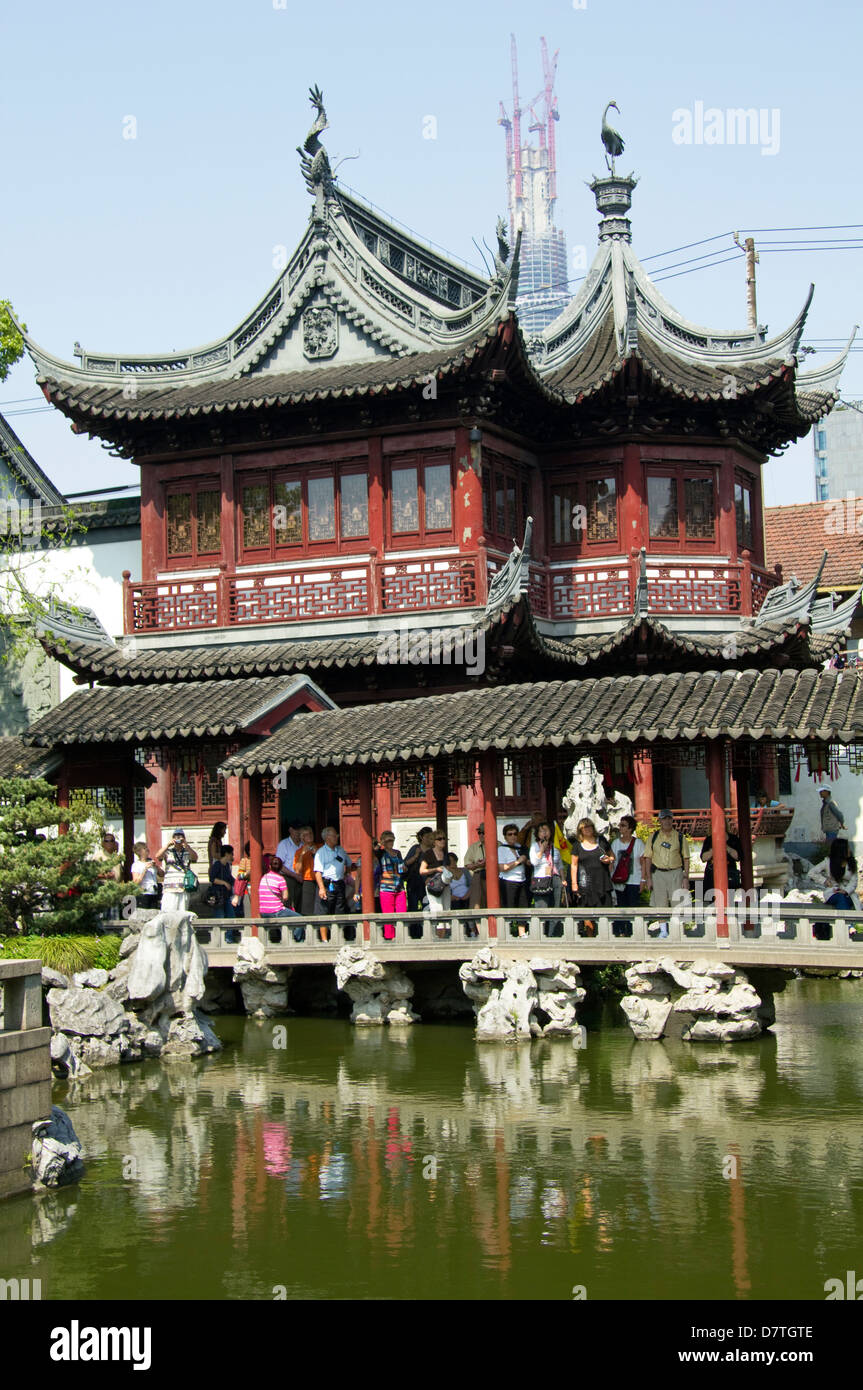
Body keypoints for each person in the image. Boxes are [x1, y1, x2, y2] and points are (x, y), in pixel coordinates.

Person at [643, 811, 690, 922]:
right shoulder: (653, 837)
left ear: (672, 820)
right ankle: (663, 930)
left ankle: (677, 929)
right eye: (664, 819)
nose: (667, 821)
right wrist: (648, 878)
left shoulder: (680, 837)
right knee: (660, 903)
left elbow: (686, 858)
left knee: (677, 902)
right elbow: (647, 858)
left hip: (675, 872)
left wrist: (686, 877)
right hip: (658, 874)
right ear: (659, 821)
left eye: (669, 819)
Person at [570, 818, 614, 934]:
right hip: (585, 883)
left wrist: (609, 860)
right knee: (586, 914)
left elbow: (612, 855)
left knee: (605, 913)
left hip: (602, 882)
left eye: (589, 826)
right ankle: (590, 937)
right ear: (580, 830)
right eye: (584, 827)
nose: (587, 829)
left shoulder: (602, 841)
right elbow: (574, 865)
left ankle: (605, 937)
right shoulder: (577, 845)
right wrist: (574, 884)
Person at [314, 827, 356, 943]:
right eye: (334, 835)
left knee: (340, 909)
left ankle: (338, 937)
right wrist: (321, 888)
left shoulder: (340, 850)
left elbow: (348, 863)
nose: (337, 837)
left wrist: (346, 872)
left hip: (339, 883)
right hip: (327, 883)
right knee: (324, 910)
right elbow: (317, 871)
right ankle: (324, 939)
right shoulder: (321, 852)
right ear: (327, 837)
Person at [610, 814, 645, 937]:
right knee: (620, 907)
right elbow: (612, 862)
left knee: (633, 907)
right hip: (618, 881)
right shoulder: (615, 843)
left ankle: (633, 932)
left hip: (634, 880)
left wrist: (643, 880)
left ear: (630, 828)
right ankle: (620, 932)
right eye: (620, 825)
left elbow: (643, 862)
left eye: (623, 825)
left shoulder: (638, 843)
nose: (620, 827)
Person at [529, 821, 563, 937]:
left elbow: (560, 865)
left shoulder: (555, 848)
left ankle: (553, 934)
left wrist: (563, 879)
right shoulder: (534, 846)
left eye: (546, 830)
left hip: (554, 878)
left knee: (555, 908)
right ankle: (541, 935)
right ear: (538, 834)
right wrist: (542, 850)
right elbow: (534, 862)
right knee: (541, 908)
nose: (544, 833)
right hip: (541, 879)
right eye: (541, 831)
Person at [260, 855, 303, 942]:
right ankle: (296, 939)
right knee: (300, 919)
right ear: (281, 868)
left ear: (269, 866)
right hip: (276, 911)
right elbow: (285, 897)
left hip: (263, 911)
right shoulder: (280, 879)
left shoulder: (263, 877)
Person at [155, 829, 199, 912]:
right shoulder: (168, 852)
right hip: (169, 887)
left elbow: (195, 857)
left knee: (182, 912)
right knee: (167, 912)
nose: (178, 838)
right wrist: (168, 844)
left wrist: (186, 845)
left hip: (183, 887)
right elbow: (158, 856)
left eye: (180, 836)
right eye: (176, 836)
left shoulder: (187, 851)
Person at [499, 823, 530, 937]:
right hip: (508, 880)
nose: (513, 836)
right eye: (509, 834)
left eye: (515, 834)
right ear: (505, 836)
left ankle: (522, 933)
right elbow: (503, 868)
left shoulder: (521, 848)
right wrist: (518, 861)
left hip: (521, 880)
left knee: (523, 906)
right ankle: (508, 933)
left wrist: (526, 860)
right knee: (509, 906)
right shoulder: (501, 849)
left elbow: (527, 862)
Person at [420, 831, 452, 938]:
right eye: (439, 839)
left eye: (444, 838)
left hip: (445, 884)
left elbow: (448, 867)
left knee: (447, 909)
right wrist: (435, 869)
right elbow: (422, 870)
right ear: (434, 841)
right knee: (437, 908)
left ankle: (446, 934)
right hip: (434, 885)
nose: (442, 841)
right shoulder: (428, 854)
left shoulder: (445, 853)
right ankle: (438, 936)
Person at [378, 831, 407, 941]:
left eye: (392, 840)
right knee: (388, 915)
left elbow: (402, 865)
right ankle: (389, 937)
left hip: (399, 886)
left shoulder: (398, 852)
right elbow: (374, 849)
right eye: (388, 840)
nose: (391, 842)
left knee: (402, 913)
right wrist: (381, 844)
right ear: (383, 841)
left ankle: (401, 937)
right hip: (386, 887)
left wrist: (404, 868)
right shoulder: (381, 853)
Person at [700, 830, 742, 898]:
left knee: (729, 899)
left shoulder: (733, 839)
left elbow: (738, 857)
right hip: (712, 875)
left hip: (729, 874)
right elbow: (703, 858)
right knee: (712, 900)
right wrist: (714, 849)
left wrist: (727, 847)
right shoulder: (709, 839)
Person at [293, 825, 321, 919]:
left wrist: (316, 853)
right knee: (308, 909)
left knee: (321, 907)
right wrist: (302, 855)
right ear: (302, 838)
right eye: (306, 835)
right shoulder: (298, 852)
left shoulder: (320, 847)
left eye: (310, 833)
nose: (309, 836)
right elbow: (297, 870)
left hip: (321, 880)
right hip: (308, 880)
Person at [405, 827, 434, 915]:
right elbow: (405, 863)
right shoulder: (415, 848)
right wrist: (416, 856)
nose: (430, 839)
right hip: (414, 881)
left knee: (427, 906)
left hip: (428, 881)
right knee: (413, 906)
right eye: (427, 836)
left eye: (431, 836)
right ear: (421, 837)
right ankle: (414, 927)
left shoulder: (433, 850)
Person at [275, 822, 304, 908]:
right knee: (288, 902)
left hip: (302, 877)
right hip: (288, 877)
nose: (298, 832)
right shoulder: (283, 844)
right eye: (296, 830)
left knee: (301, 903)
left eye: (300, 830)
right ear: (290, 830)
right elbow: (280, 865)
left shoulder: (304, 844)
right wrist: (295, 876)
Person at [448, 852, 475, 936]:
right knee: (456, 906)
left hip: (467, 895)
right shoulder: (446, 874)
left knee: (468, 906)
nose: (452, 863)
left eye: (453, 860)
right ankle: (459, 932)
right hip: (454, 898)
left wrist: (467, 895)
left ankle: (472, 931)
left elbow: (472, 884)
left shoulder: (464, 870)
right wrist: (452, 897)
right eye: (450, 861)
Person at [209, 844, 236, 920]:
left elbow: (230, 878)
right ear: (227, 854)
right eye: (231, 854)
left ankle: (229, 932)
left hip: (226, 895)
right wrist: (224, 883)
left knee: (231, 917)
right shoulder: (217, 865)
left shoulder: (227, 865)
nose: (232, 856)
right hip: (218, 896)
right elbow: (212, 879)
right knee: (219, 917)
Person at [130, 841, 161, 908]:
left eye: (147, 847)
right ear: (139, 852)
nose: (147, 849)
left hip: (154, 893)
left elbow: (162, 874)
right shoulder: (136, 865)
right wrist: (145, 869)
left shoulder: (151, 861)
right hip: (143, 894)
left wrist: (157, 867)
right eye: (144, 848)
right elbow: (135, 882)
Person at [464, 824, 487, 908]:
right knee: (476, 901)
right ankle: (476, 920)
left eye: (483, 832)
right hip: (478, 874)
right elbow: (467, 865)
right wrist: (477, 865)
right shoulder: (474, 847)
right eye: (479, 833)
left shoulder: (498, 844)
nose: (481, 835)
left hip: (493, 875)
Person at [231, 841, 252, 917]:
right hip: (248, 889)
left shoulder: (262, 860)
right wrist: (247, 874)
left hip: (260, 888)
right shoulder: (245, 861)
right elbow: (240, 876)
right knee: (249, 912)